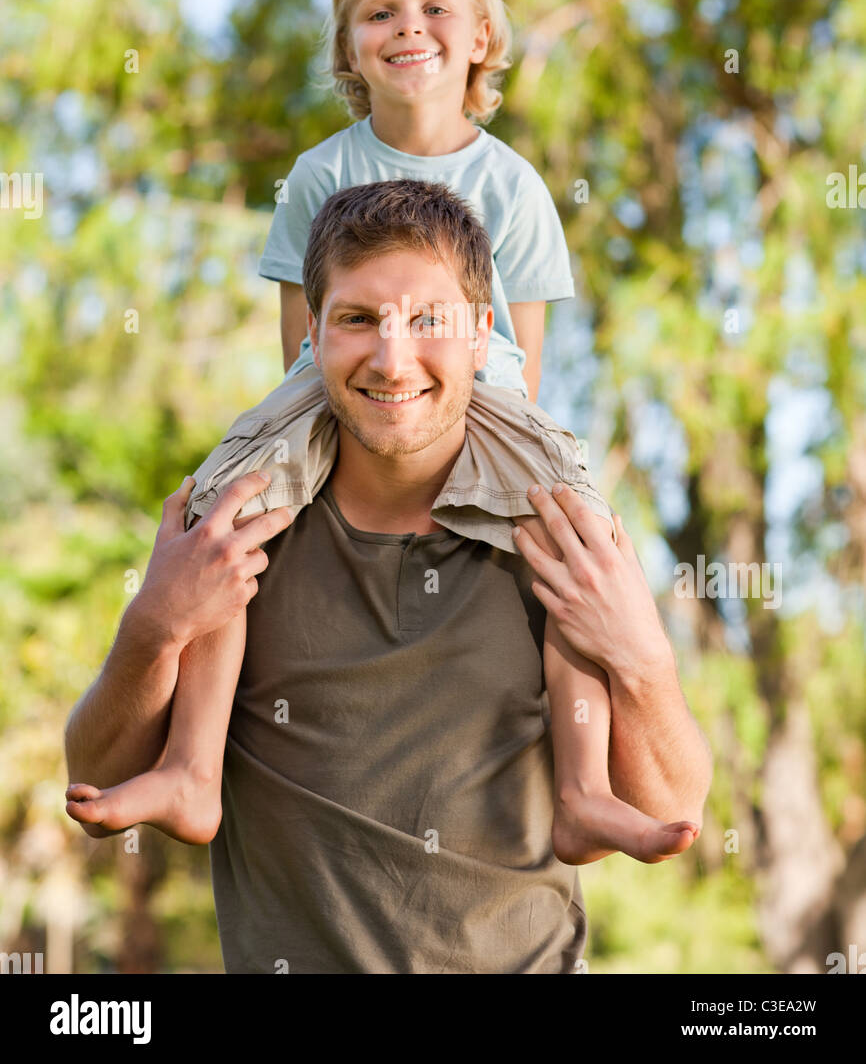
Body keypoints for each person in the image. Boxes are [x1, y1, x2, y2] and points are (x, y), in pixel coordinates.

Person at [65, 0, 703, 867]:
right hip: (318, 397)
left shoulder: (515, 186)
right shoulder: (319, 174)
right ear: (350, 47)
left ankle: (582, 792)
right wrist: (264, 478)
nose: (410, 27)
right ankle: (192, 769)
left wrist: (521, 470)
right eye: (380, 13)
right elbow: (305, 343)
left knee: (574, 543)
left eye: (436, 8)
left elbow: (520, 359)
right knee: (225, 518)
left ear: (480, 38)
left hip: (486, 406)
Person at [65, 180, 712, 973]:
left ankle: (582, 799)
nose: (391, 357)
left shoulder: (559, 538)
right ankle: (190, 774)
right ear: (315, 332)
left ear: (482, 334)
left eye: (428, 320)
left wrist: (644, 657)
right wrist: (155, 623)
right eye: (358, 319)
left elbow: (675, 812)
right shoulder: (235, 543)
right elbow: (96, 779)